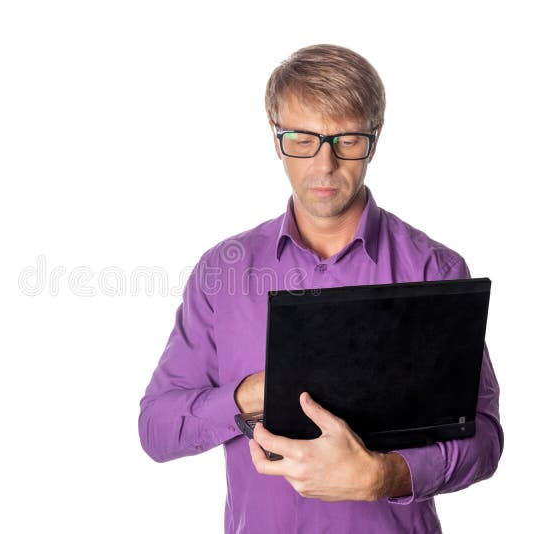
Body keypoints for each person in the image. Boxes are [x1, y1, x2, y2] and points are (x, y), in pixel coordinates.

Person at [138, 44, 503, 533]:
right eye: (302, 139)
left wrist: (386, 475)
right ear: (276, 136)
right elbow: (157, 429)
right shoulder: (222, 271)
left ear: (374, 138)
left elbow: (484, 438)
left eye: (346, 139)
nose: (324, 163)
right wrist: (249, 395)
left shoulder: (434, 269)